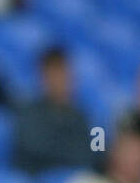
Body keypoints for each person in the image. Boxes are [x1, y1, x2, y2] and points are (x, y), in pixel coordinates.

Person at [12, 46, 95, 174]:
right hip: (38, 182)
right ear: (43, 78)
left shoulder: (81, 116)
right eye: (55, 74)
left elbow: (96, 151)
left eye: (65, 74)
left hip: (77, 182)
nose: (61, 81)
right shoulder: (29, 113)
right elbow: (39, 151)